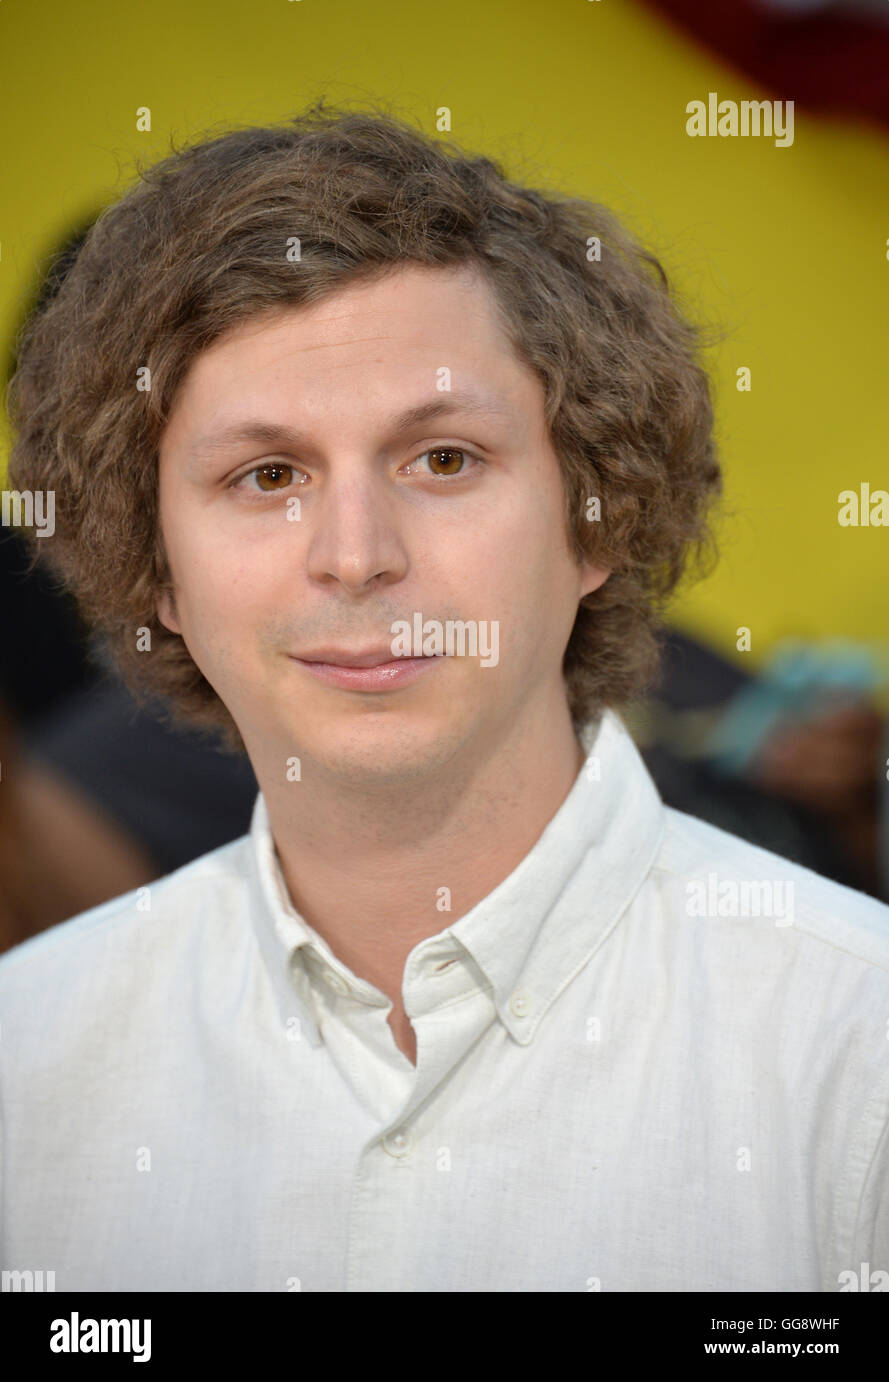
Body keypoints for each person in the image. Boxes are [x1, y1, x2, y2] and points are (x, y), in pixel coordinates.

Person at [1, 100, 886, 1293]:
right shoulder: (29, 1062)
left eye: (443, 458)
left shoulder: (856, 1043)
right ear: (153, 568)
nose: (356, 553)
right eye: (268, 475)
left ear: (596, 519)